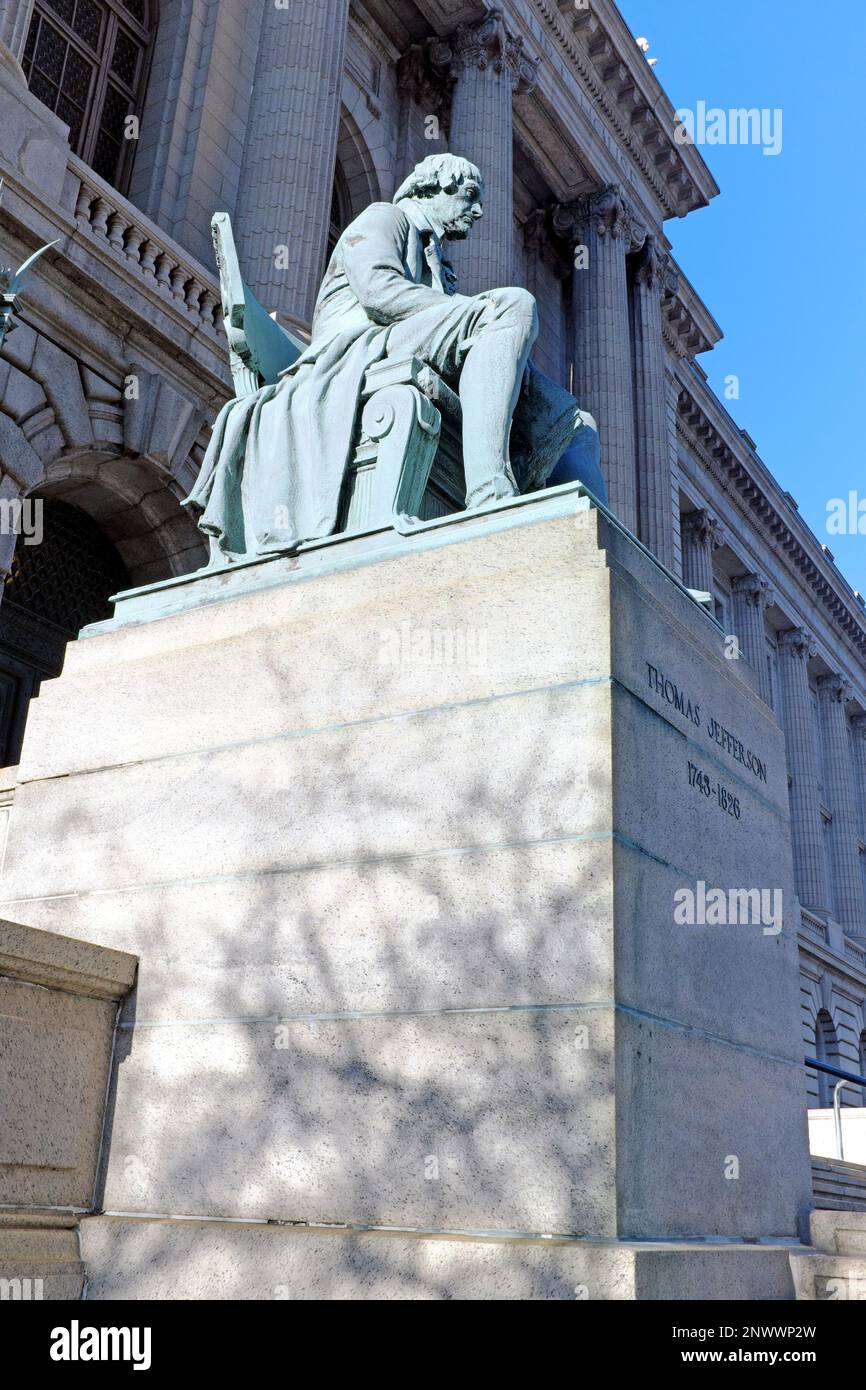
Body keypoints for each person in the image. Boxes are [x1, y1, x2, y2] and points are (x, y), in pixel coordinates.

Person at [186, 153, 605, 560]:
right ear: (431, 187)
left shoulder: (438, 259)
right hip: (358, 350)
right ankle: (489, 493)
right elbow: (378, 290)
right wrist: (466, 312)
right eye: (469, 195)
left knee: (575, 426)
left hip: (402, 342)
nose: (477, 212)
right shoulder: (386, 217)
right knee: (513, 303)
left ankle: (593, 555)